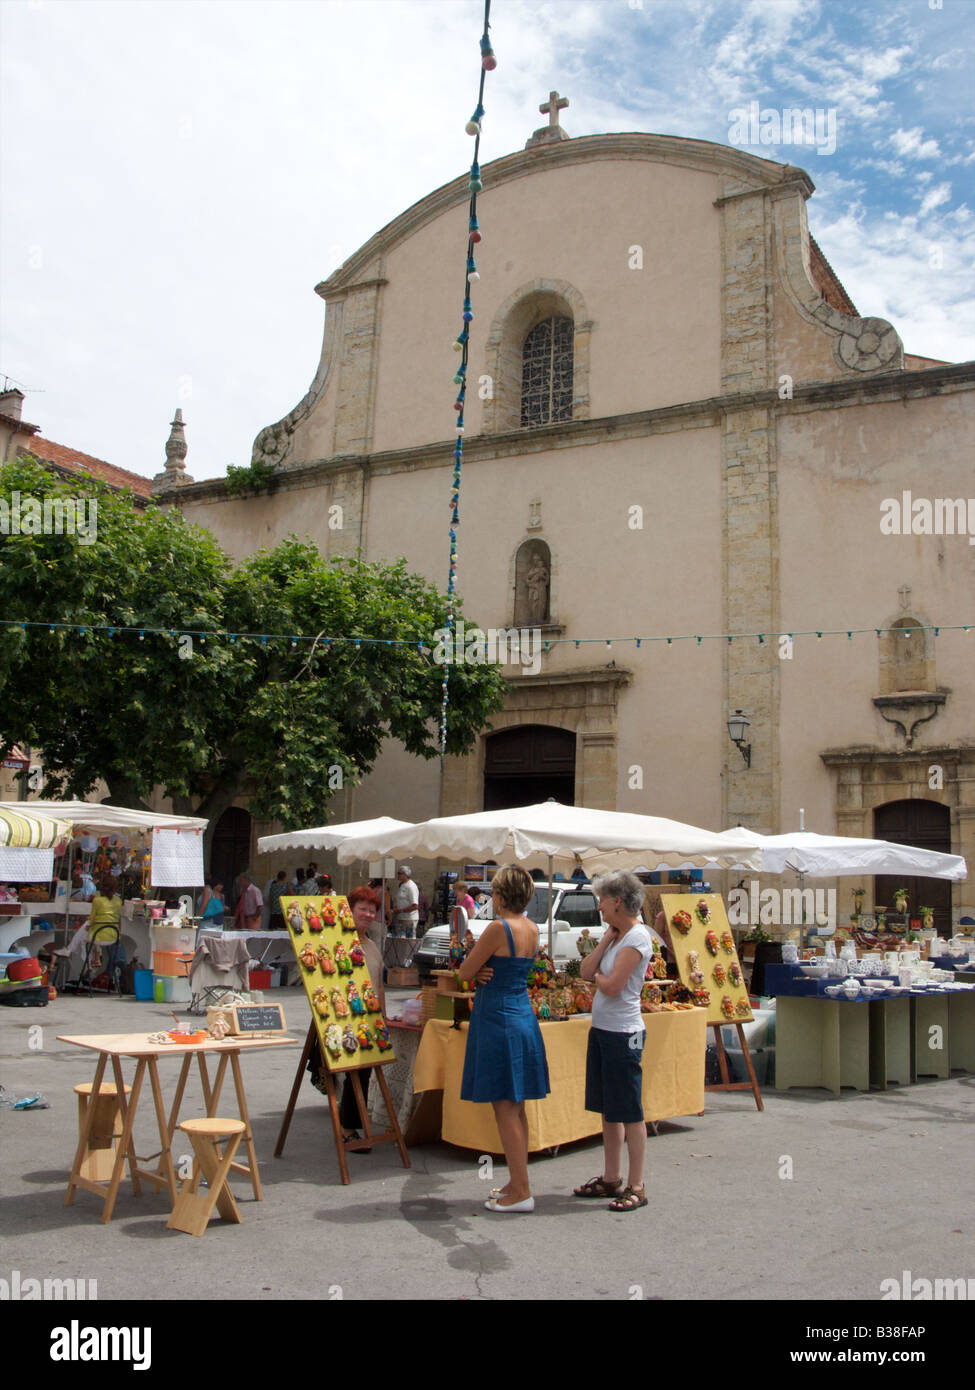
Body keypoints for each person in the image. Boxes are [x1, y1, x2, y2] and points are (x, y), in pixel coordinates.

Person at [455, 863, 550, 1213]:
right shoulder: (532, 928)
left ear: (499, 895)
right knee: (517, 1106)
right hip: (522, 1014)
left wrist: (477, 970)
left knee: (505, 1109)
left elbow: (464, 971)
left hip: (497, 1019)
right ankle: (517, 1180)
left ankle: (522, 1191)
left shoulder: (498, 928)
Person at [574, 870, 655, 1213]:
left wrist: (599, 976)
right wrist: (606, 940)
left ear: (617, 901)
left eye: (602, 901)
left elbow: (611, 985)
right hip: (604, 1030)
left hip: (625, 1033)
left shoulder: (638, 939)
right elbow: (585, 971)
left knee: (629, 1110)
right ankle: (611, 1177)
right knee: (609, 1109)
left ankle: (637, 1184)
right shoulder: (618, 936)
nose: (599, 907)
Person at [306, 885, 386, 1150]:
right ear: (348, 911)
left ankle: (352, 1123)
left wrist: (382, 1018)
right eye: (362, 909)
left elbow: (379, 985)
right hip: (343, 1018)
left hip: (368, 1019)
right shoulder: (336, 941)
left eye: (372, 911)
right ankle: (348, 1127)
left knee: (364, 1073)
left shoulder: (372, 947)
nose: (368, 915)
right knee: (352, 1072)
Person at [87, 875, 125, 980]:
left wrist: (89, 925)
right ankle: (107, 972)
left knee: (83, 938)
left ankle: (89, 966)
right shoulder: (118, 901)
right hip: (113, 936)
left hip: (97, 936)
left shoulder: (97, 900)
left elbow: (92, 919)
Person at [393, 864, 419, 938]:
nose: (397, 875)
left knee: (409, 941)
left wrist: (400, 910)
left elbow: (415, 906)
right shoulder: (402, 885)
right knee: (401, 940)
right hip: (401, 918)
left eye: (399, 873)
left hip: (409, 919)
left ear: (405, 874)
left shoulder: (411, 886)